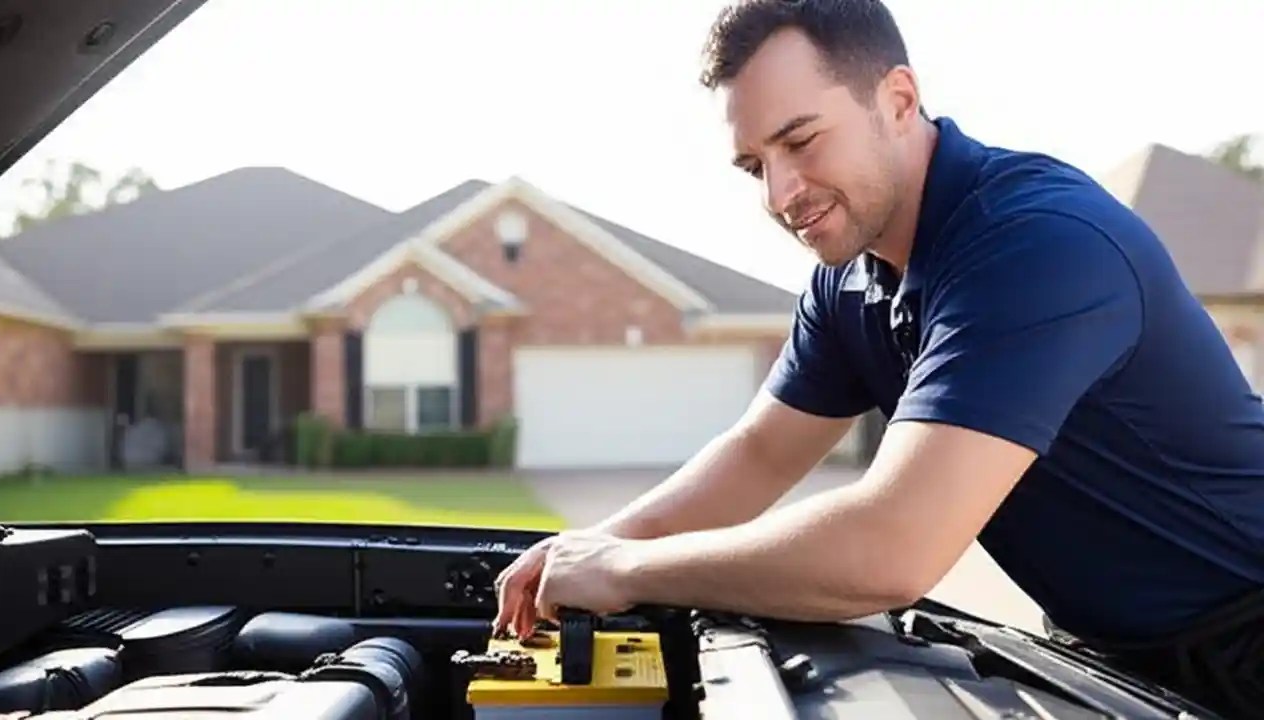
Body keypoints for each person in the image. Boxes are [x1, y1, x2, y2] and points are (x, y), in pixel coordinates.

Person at [493, 1, 1264, 715]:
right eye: (755, 165)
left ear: (897, 100)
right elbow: (759, 455)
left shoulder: (1036, 243)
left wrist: (627, 572)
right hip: (1111, 656)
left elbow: (892, 548)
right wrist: (593, 549)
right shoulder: (848, 282)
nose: (780, 193)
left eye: (799, 141)